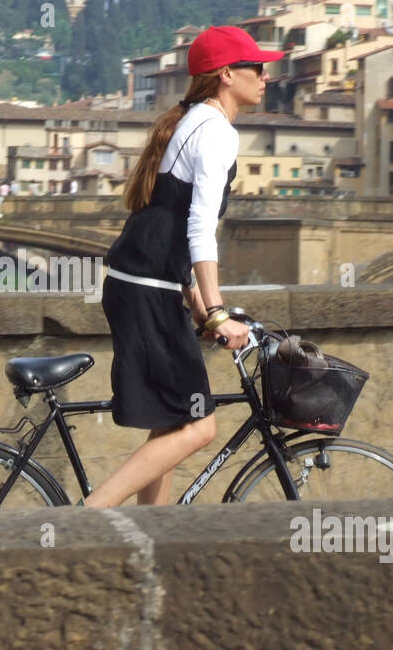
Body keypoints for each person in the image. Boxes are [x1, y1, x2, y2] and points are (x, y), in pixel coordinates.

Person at [82, 25, 280, 508]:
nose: (265, 75)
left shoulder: (192, 119)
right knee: (199, 426)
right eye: (256, 67)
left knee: (171, 422)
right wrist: (215, 311)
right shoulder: (216, 132)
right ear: (227, 74)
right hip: (147, 289)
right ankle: (83, 517)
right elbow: (198, 228)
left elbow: (170, 219)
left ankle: (152, 538)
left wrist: (192, 298)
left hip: (142, 284)